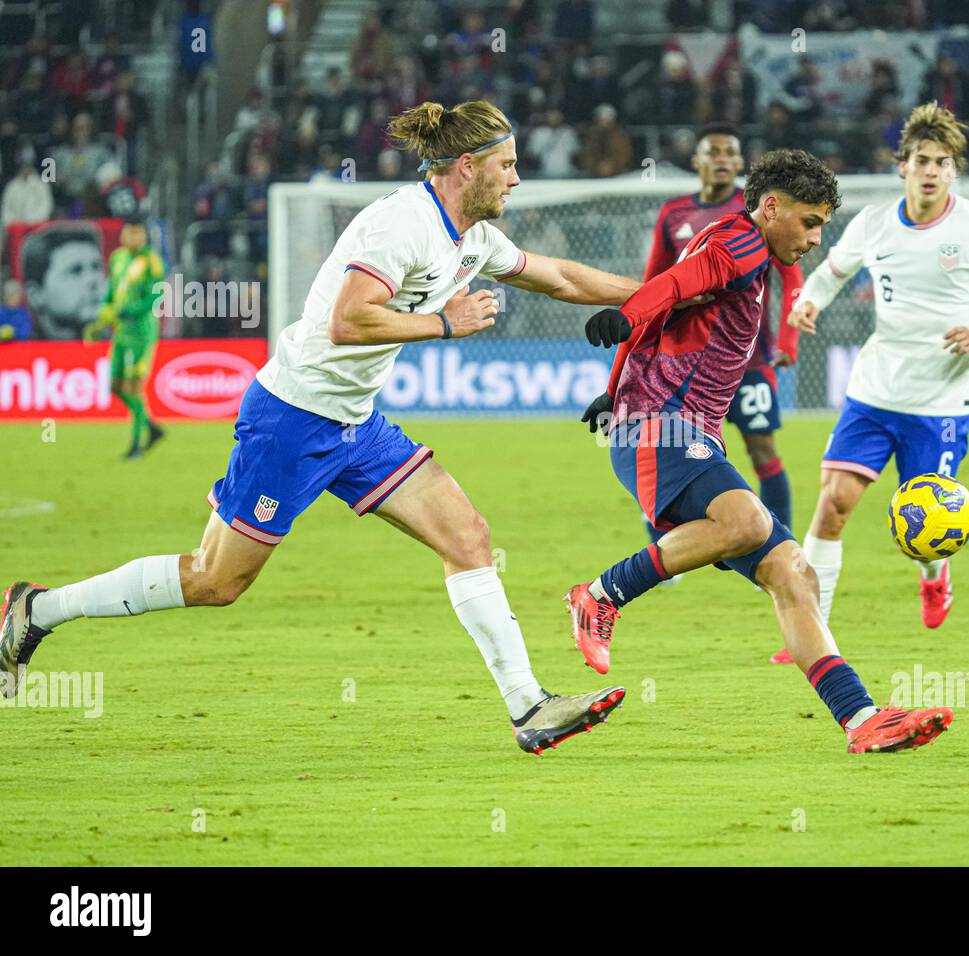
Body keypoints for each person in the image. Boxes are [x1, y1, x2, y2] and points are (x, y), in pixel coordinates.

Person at [2, 101, 648, 756]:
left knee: (468, 535)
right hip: (292, 419)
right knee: (214, 581)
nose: (516, 180)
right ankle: (37, 610)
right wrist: (445, 323)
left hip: (355, 423)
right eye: (507, 166)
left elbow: (561, 277)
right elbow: (349, 320)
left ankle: (529, 707)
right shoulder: (402, 226)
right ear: (466, 166)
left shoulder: (472, 238)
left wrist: (658, 294)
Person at [567, 149, 954, 755]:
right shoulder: (742, 244)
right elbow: (666, 288)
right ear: (771, 207)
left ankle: (862, 719)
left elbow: (670, 307)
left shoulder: (732, 243)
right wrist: (625, 318)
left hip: (681, 429)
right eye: (809, 221)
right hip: (662, 429)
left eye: (823, 224)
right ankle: (600, 595)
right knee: (746, 522)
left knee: (791, 571)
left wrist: (612, 386)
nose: (816, 237)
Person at [775, 103, 969, 651]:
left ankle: (934, 577)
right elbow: (829, 272)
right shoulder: (874, 222)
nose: (931, 171)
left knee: (926, 540)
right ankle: (811, 628)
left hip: (942, 401)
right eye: (921, 160)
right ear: (902, 166)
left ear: (953, 171)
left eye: (942, 162)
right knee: (833, 505)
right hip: (874, 391)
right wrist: (808, 303)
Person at [632, 124, 802, 582]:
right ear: (698, 160)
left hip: (748, 362)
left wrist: (788, 339)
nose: (724, 159)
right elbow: (657, 280)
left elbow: (792, 276)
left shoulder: (757, 213)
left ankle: (782, 536)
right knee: (667, 452)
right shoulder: (674, 212)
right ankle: (666, 555)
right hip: (686, 368)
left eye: (732, 152)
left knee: (761, 445)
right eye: (715, 152)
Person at [82, 215, 167, 458]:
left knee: (133, 386)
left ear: (143, 235)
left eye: (137, 232)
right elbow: (111, 292)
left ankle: (136, 445)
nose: (133, 237)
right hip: (120, 332)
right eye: (129, 232)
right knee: (115, 385)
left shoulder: (152, 261)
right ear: (123, 234)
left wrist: (129, 311)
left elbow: (155, 296)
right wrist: (102, 318)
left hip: (142, 331)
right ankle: (150, 427)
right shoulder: (117, 257)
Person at [19, 223, 108, 339]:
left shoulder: (120, 347)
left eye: (96, 267)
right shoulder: (18, 349)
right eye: (75, 271)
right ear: (36, 295)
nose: (93, 280)